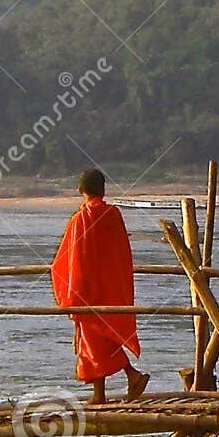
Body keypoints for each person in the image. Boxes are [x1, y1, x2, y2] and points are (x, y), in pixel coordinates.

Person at [51, 168, 149, 405]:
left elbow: (65, 260)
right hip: (110, 288)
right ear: (103, 190)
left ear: (80, 190)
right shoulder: (113, 215)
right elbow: (121, 253)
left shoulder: (78, 221)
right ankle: (123, 380)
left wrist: (72, 286)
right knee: (103, 338)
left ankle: (108, 390)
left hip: (86, 290)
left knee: (94, 341)